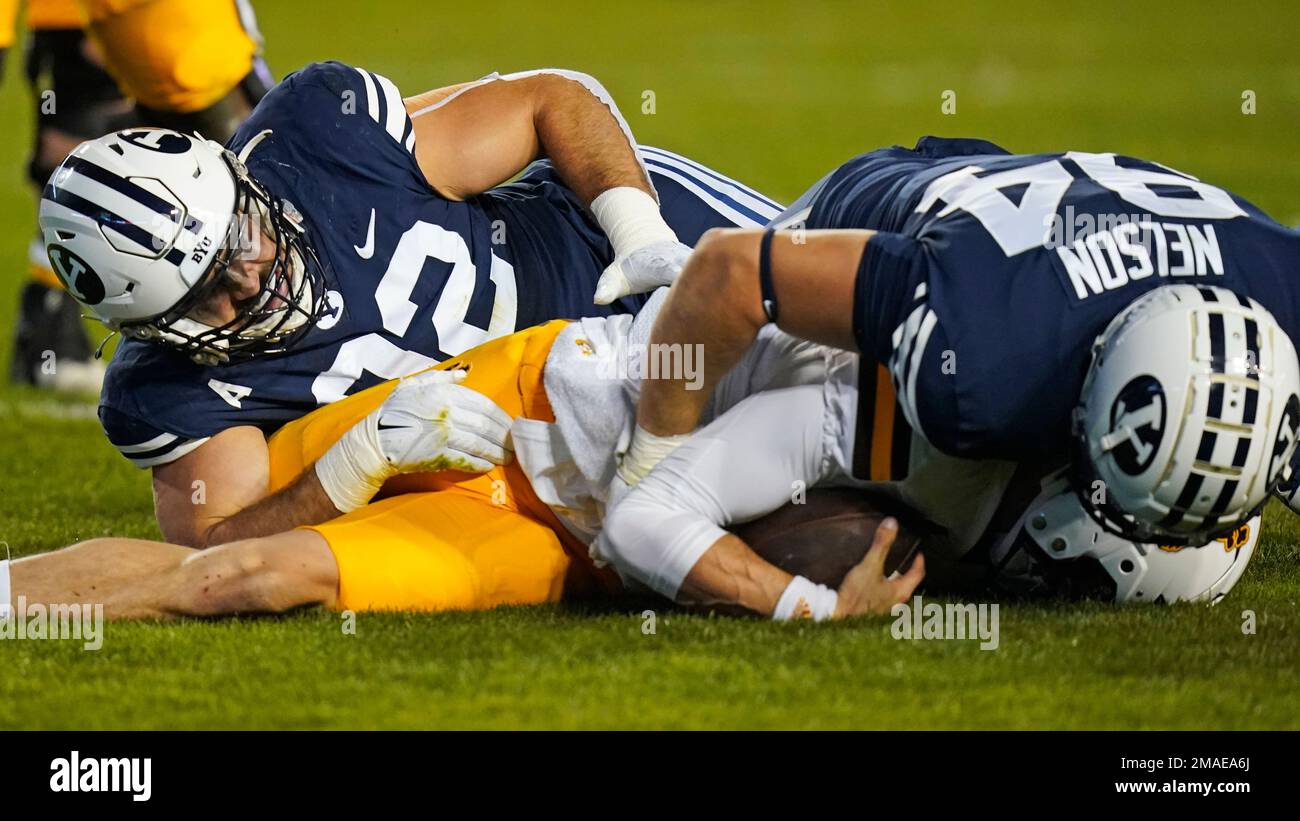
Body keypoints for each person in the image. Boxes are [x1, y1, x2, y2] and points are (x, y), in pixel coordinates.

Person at [37, 60, 782, 551]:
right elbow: (217, 544)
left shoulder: (318, 132)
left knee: (868, 309)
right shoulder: (167, 390)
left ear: (234, 176)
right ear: (153, 330)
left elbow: (552, 96)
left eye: (241, 234)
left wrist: (638, 233)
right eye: (208, 297)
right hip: (577, 416)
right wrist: (359, 460)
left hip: (613, 248)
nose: (253, 276)